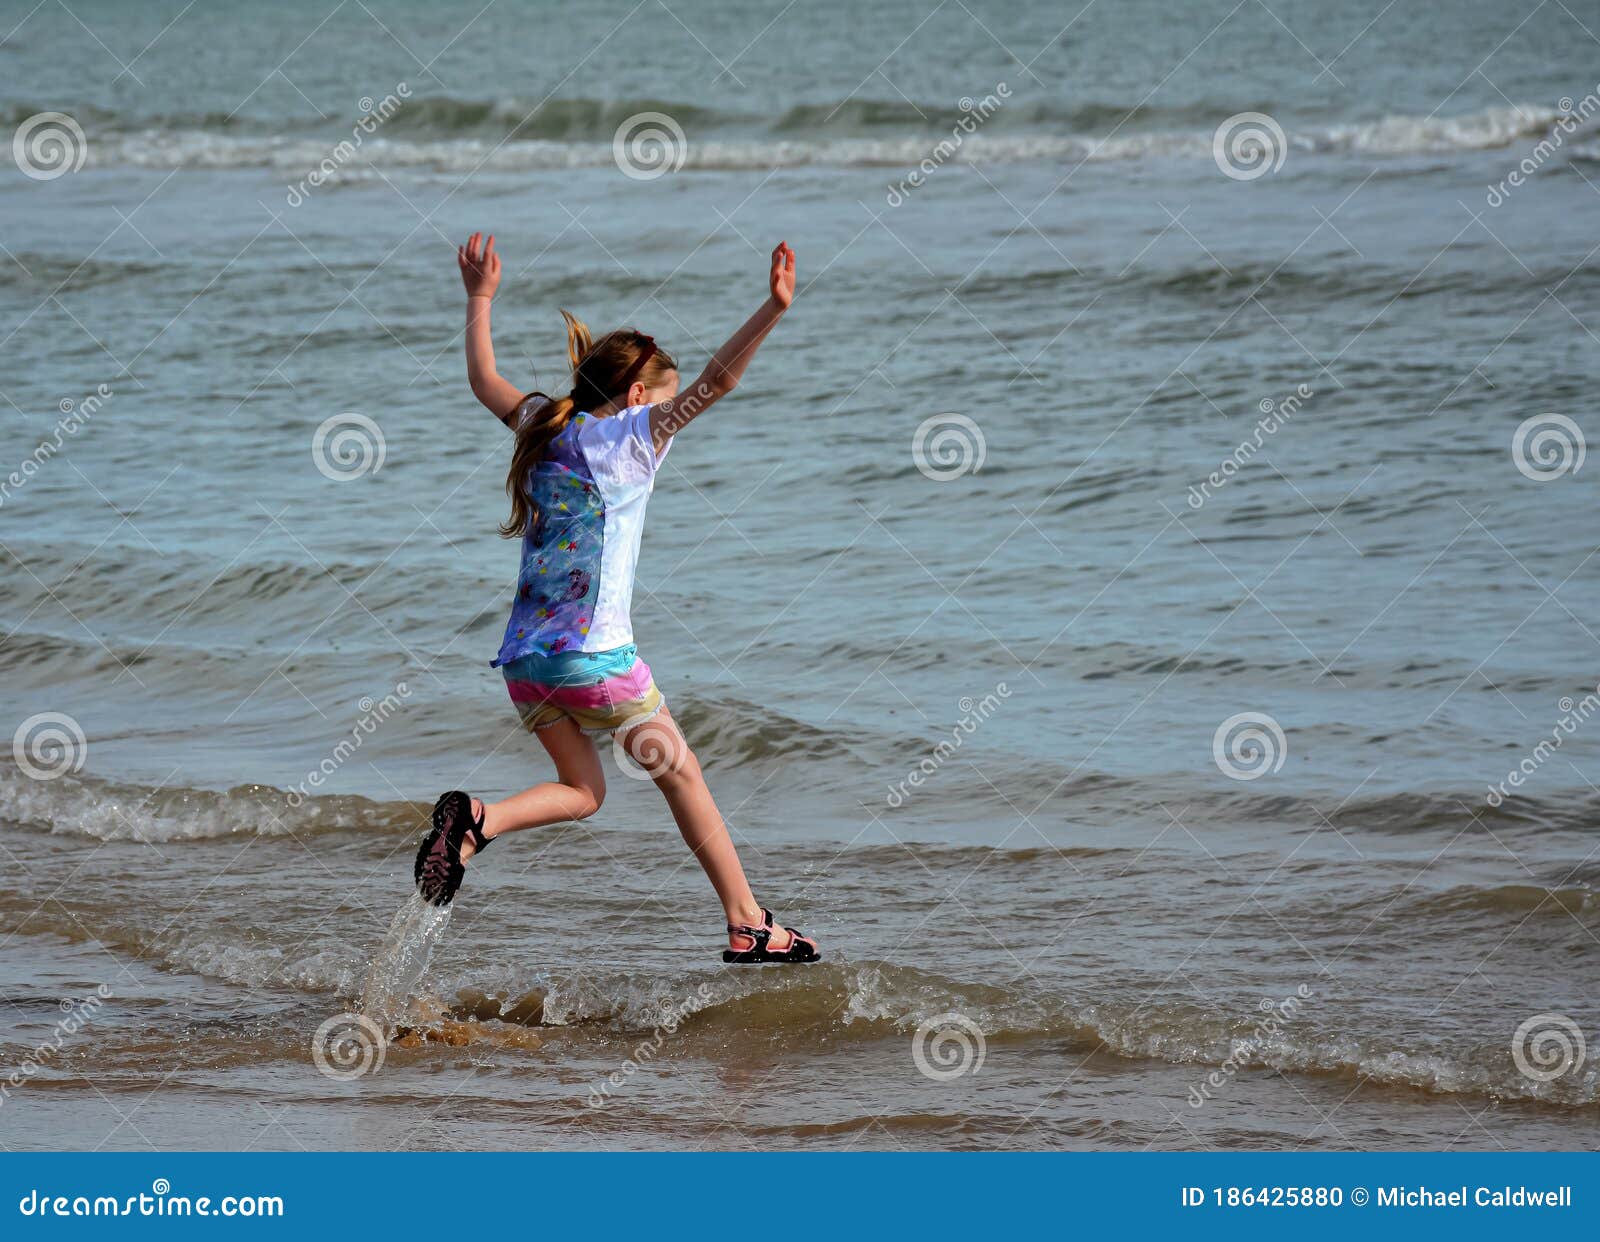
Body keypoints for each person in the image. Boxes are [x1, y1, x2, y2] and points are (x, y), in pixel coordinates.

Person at [413, 231, 819, 966]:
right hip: (594, 659)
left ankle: (476, 821)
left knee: (585, 790)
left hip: (525, 665)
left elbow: (483, 380)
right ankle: (747, 921)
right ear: (637, 400)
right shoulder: (631, 436)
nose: (668, 428)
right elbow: (720, 381)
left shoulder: (543, 420)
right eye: (662, 410)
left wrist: (479, 298)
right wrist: (772, 309)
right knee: (681, 771)